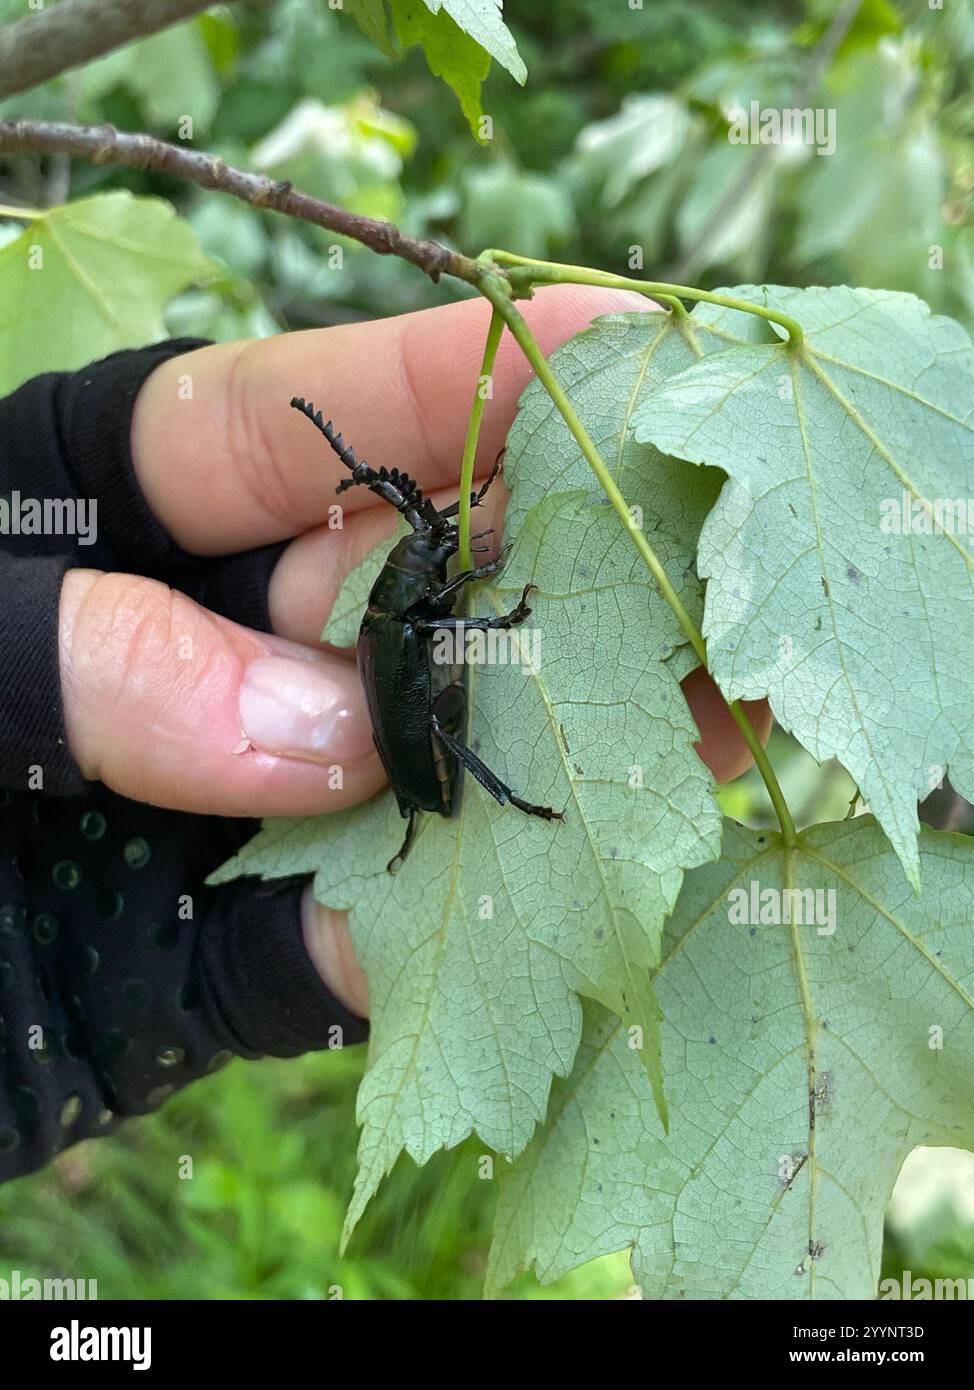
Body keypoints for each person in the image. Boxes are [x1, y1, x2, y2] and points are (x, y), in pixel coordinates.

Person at [0, 286, 769, 1183]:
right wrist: (508, 615)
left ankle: (450, 804)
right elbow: (452, 619)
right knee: (448, 724)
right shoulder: (407, 621)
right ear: (412, 583)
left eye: (434, 543)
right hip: (418, 765)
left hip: (403, 765)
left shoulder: (393, 613)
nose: (437, 543)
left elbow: (440, 582)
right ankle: (509, 795)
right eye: (429, 548)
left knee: (442, 691)